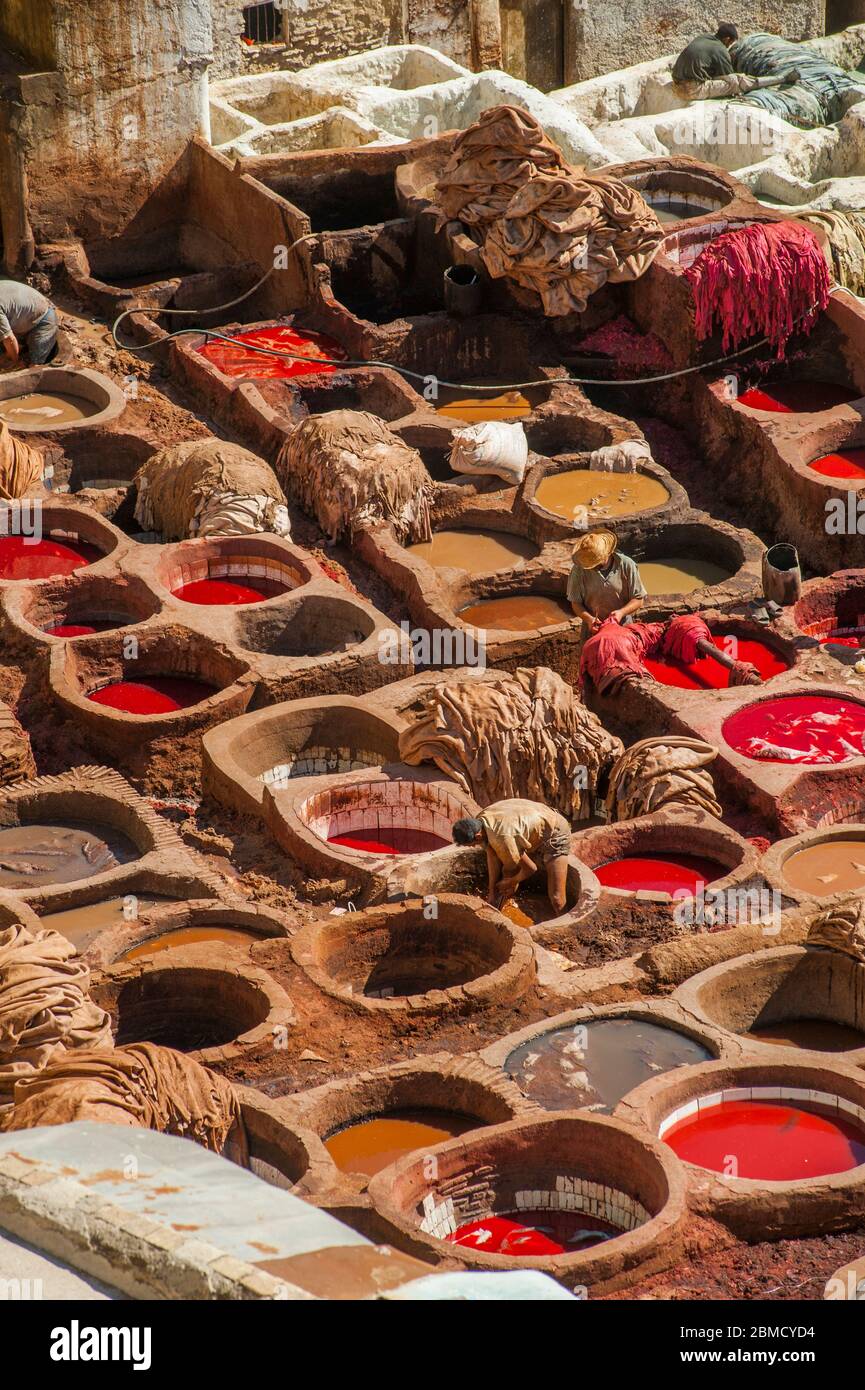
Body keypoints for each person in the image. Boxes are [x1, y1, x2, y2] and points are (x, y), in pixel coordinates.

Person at [452, 798, 571, 915]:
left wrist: (510, 882)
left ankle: (566, 927)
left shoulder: (502, 838)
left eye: (472, 844)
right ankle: (497, 911)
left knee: (557, 899)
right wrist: (492, 891)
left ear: (477, 837)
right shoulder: (480, 821)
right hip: (532, 825)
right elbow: (492, 856)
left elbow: (530, 868)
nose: (473, 847)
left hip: (555, 833)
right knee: (506, 875)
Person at [672, 23, 796, 101]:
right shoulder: (720, 49)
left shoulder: (703, 38)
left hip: (675, 84)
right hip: (691, 90)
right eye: (730, 43)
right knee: (739, 81)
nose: (729, 46)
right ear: (726, 39)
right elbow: (731, 79)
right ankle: (782, 79)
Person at [567, 528, 646, 641]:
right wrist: (589, 619)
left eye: (595, 564)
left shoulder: (627, 565)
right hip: (593, 630)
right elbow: (575, 603)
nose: (592, 567)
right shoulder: (579, 570)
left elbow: (638, 598)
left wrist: (620, 613)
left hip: (623, 627)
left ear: (607, 554)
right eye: (590, 565)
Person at [0, 280, 59, 367]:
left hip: (44, 319)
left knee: (34, 366)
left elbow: (10, 340)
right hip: (26, 315)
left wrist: (14, 363)